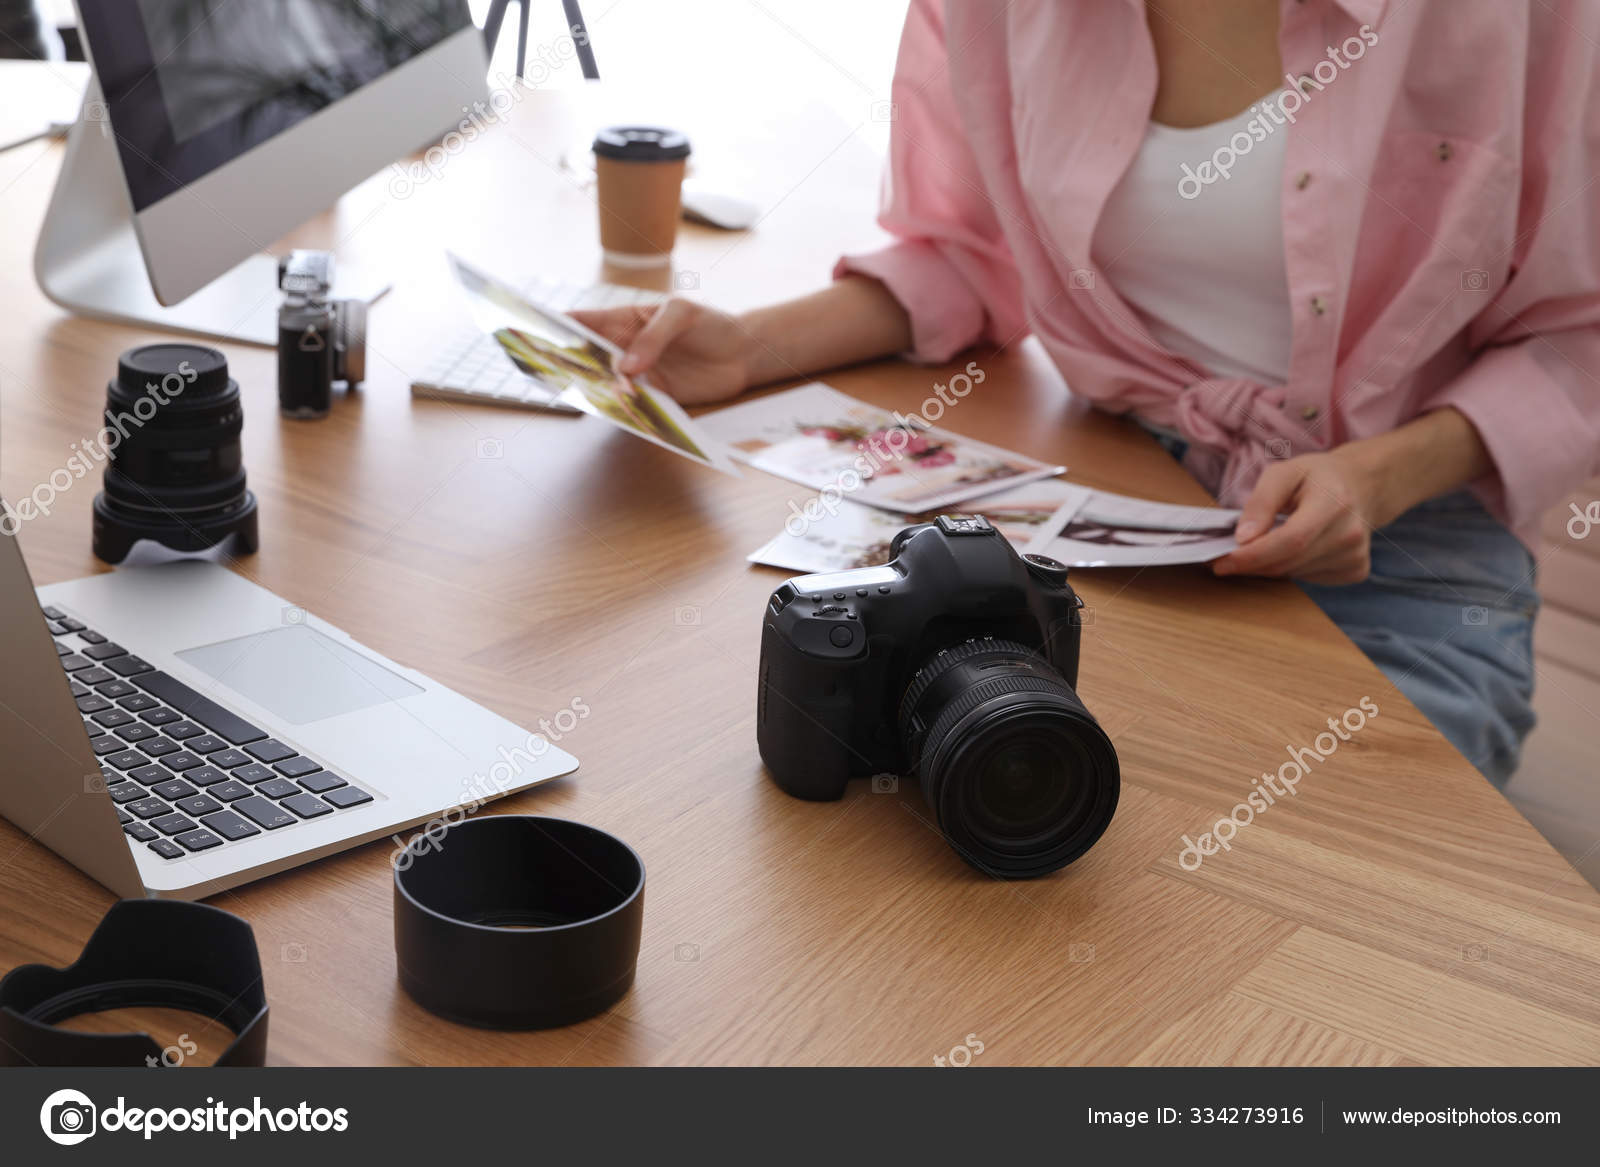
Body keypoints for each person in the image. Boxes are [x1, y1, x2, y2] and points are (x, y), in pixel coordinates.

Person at [575, 0, 1600, 784]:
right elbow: (971, 254)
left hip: (1398, 553)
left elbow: (1579, 334)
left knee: (1345, 884)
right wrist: (747, 348)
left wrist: (1375, 476)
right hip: (1110, 496)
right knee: (963, 821)